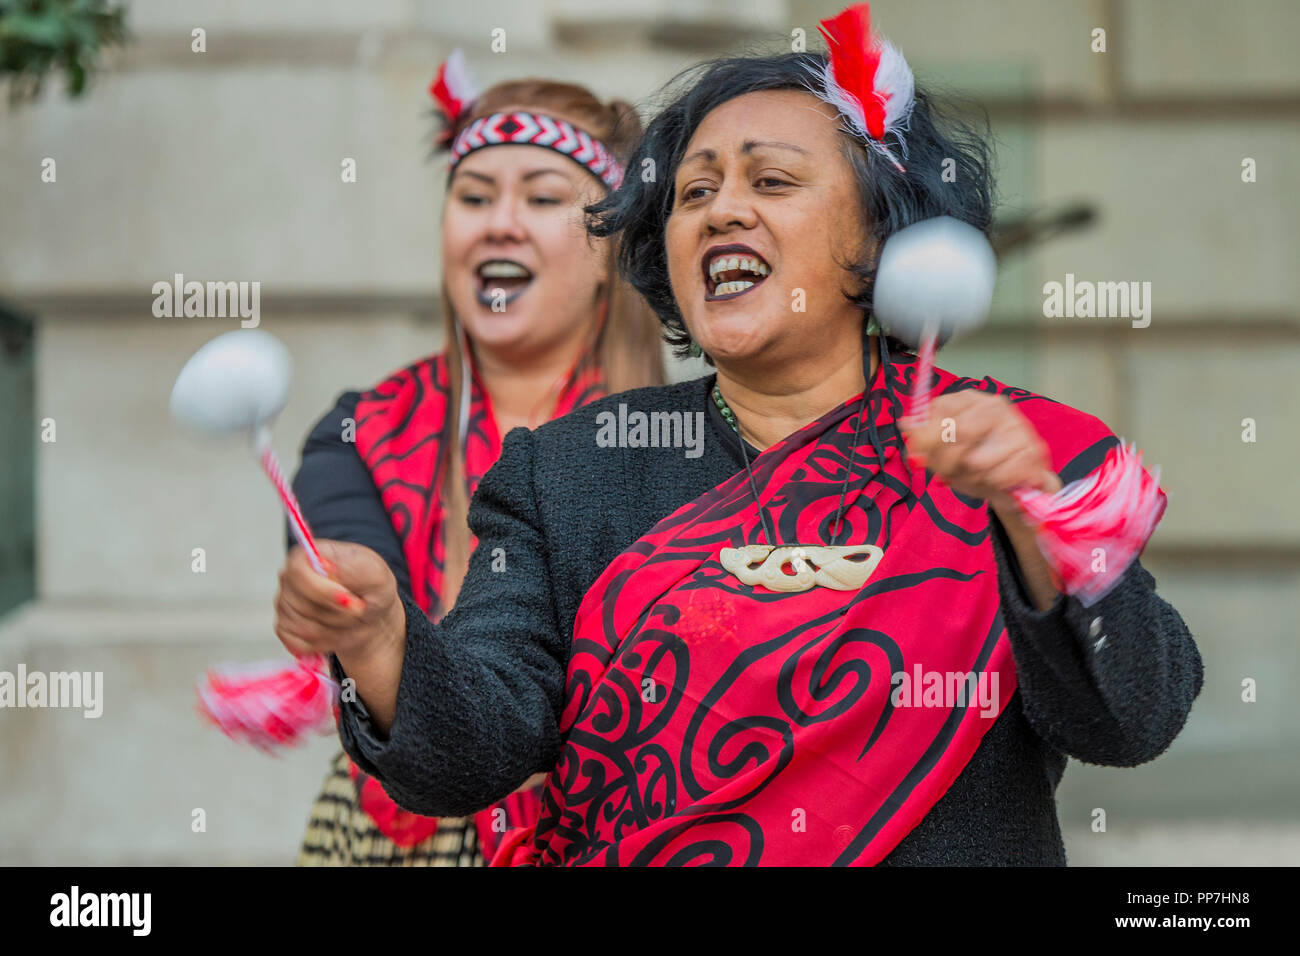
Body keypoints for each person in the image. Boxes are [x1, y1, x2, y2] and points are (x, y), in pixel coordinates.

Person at [274, 9, 1203, 866]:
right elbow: (469, 754)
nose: (722, 210)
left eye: (773, 180)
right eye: (693, 192)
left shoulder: (1021, 454)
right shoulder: (566, 474)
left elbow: (1135, 720)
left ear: (882, 233)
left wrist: (1039, 526)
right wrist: (386, 643)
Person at [288, 57, 664, 866]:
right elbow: (358, 611)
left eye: (541, 197)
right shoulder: (360, 430)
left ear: (606, 248)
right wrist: (344, 611)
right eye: (474, 196)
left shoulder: (685, 439)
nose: (500, 222)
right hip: (395, 833)